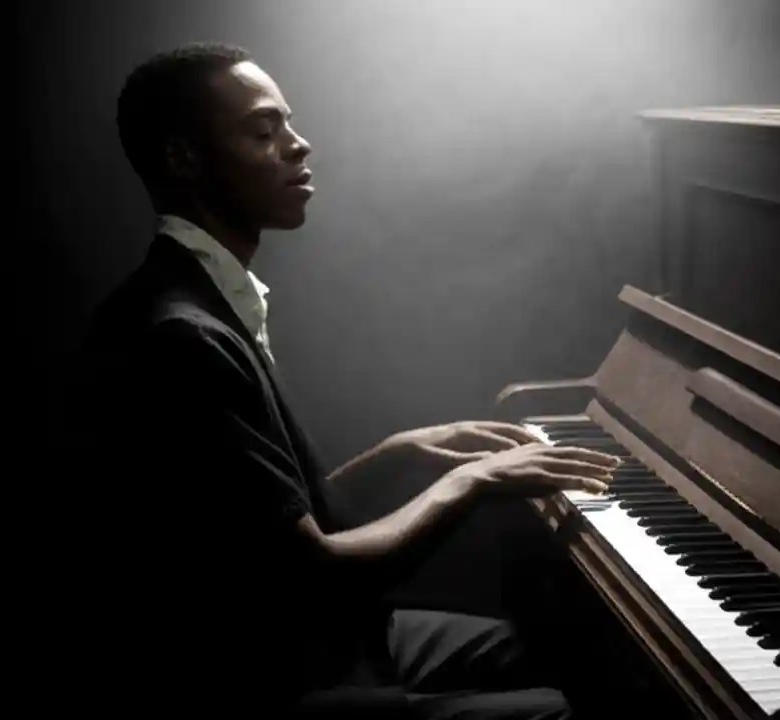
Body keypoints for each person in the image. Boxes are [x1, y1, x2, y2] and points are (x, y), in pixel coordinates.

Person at [68, 42, 620, 718]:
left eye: (289, 125)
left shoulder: (197, 295)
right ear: (183, 158)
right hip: (267, 674)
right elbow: (319, 572)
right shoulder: (182, 335)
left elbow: (267, 525)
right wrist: (471, 481)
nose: (298, 146)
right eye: (264, 131)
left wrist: (398, 453)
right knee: (558, 708)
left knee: (570, 652)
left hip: (302, 637)